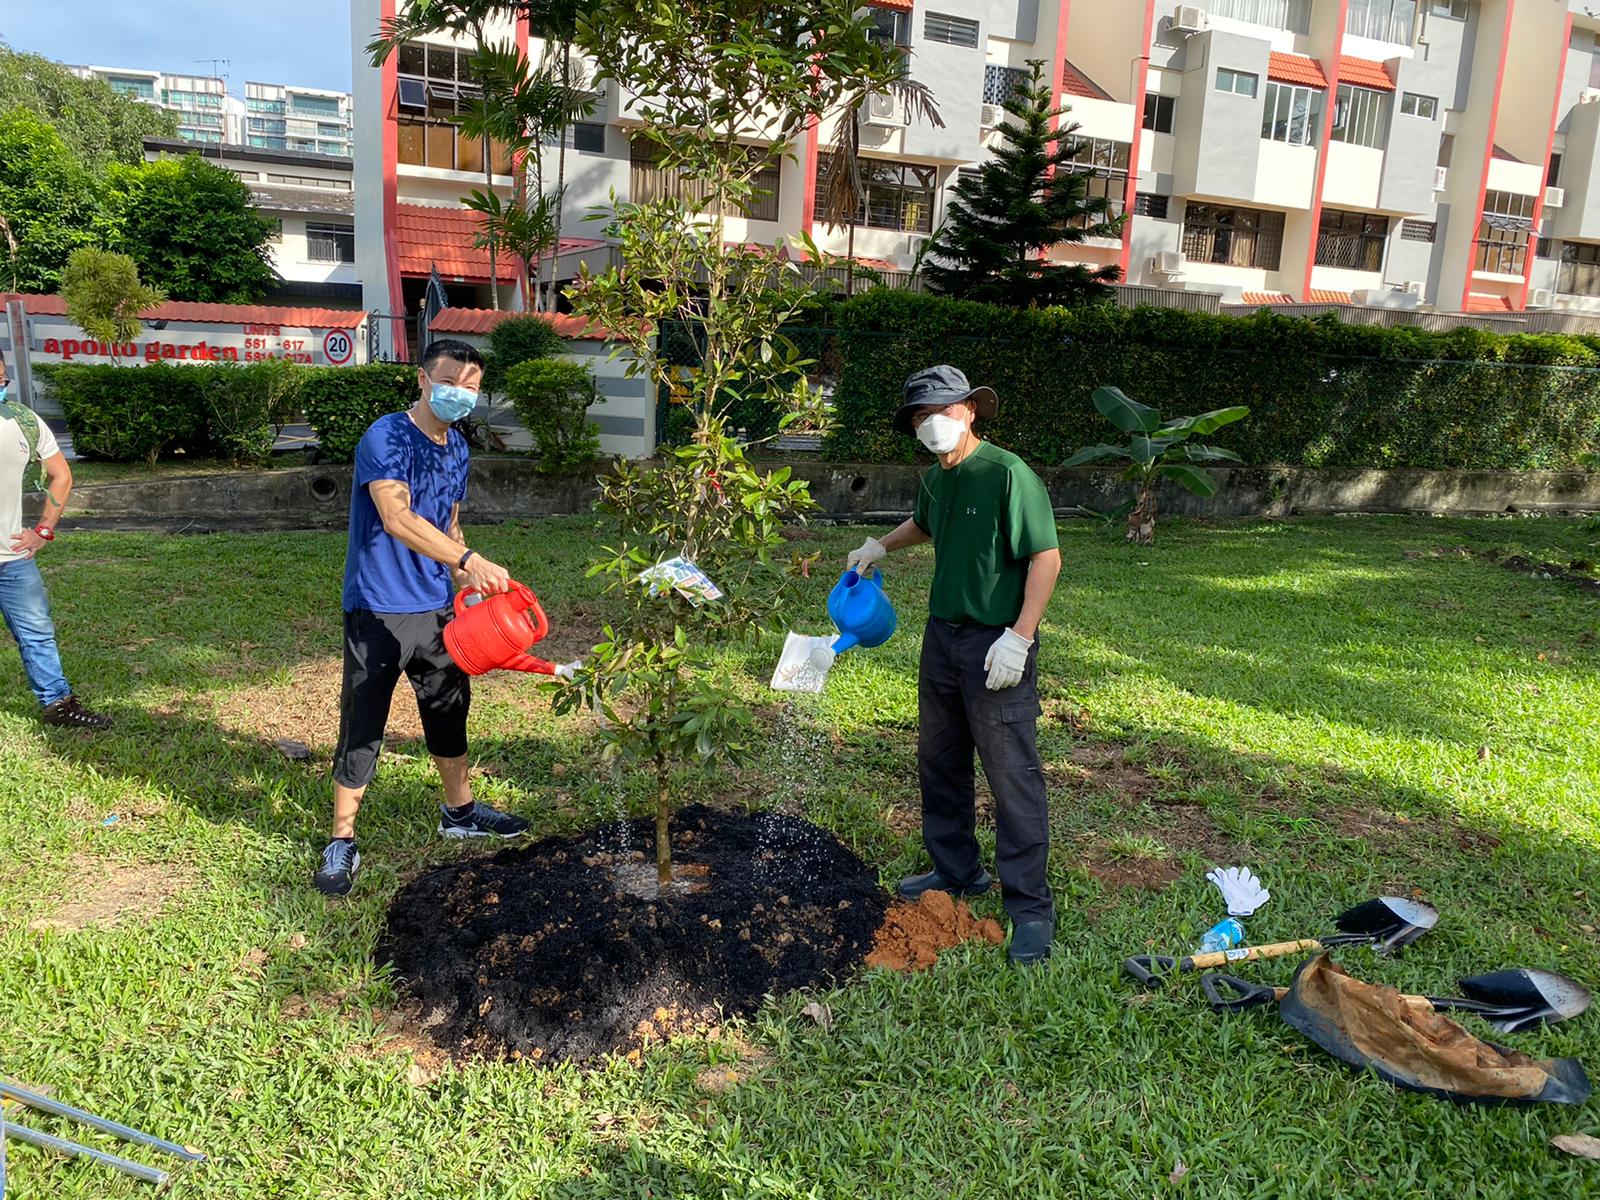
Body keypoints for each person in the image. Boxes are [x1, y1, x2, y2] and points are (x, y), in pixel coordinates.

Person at [847, 365, 1062, 965]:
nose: (930, 424)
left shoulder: (1007, 474)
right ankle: (957, 872)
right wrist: (878, 547)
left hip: (997, 640)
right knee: (939, 759)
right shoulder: (937, 479)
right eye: (919, 418)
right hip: (943, 637)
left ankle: (1029, 906)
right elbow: (926, 523)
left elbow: (1046, 557)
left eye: (939, 411)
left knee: (1010, 770)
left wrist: (1020, 636)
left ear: (968, 410)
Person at [314, 339, 528, 897]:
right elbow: (396, 516)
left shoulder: (457, 447)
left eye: (473, 385)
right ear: (422, 380)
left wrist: (466, 578)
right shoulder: (385, 436)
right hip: (379, 607)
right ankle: (342, 840)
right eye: (451, 379)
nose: (461, 391)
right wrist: (466, 560)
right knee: (364, 721)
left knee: (448, 709)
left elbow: (449, 523)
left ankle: (459, 814)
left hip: (437, 609)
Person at [0, 349, 112, 730]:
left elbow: (61, 475)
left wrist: (43, 530)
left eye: (1, 381)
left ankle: (57, 705)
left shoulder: (23, 421)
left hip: (12, 558)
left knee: (38, 634)